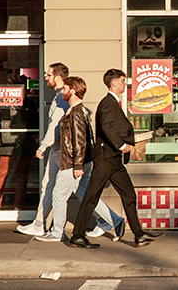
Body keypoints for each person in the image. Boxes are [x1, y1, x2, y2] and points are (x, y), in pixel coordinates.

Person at [69, 69, 164, 248]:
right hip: (105, 158)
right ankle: (77, 236)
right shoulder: (108, 103)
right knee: (91, 196)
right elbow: (106, 127)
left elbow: (113, 127)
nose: (124, 83)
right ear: (114, 83)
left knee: (129, 194)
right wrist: (121, 145)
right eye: (122, 80)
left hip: (114, 160)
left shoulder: (114, 103)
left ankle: (139, 234)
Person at [35, 76, 125, 243]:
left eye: (65, 89)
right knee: (85, 194)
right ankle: (115, 220)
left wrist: (77, 165)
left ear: (73, 91)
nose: (62, 91)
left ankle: (57, 233)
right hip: (81, 161)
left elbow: (79, 140)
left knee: (59, 195)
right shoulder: (79, 110)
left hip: (73, 162)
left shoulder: (75, 112)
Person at [16, 63, 69, 235]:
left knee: (77, 190)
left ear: (58, 77)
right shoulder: (58, 97)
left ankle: (111, 220)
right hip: (57, 150)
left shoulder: (62, 98)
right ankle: (39, 224)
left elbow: (56, 126)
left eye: (49, 75)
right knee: (48, 185)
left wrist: (43, 147)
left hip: (60, 151)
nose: (45, 77)